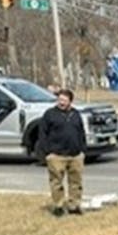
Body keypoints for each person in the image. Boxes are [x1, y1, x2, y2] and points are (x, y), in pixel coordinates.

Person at [38, 88, 87, 217]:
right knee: (56, 183)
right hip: (56, 155)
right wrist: (47, 153)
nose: (61, 102)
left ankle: (74, 205)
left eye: (64, 100)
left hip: (75, 155)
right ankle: (58, 206)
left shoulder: (76, 114)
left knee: (76, 182)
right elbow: (42, 134)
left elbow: (81, 132)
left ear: (70, 101)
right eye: (59, 100)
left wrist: (82, 150)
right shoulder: (50, 114)